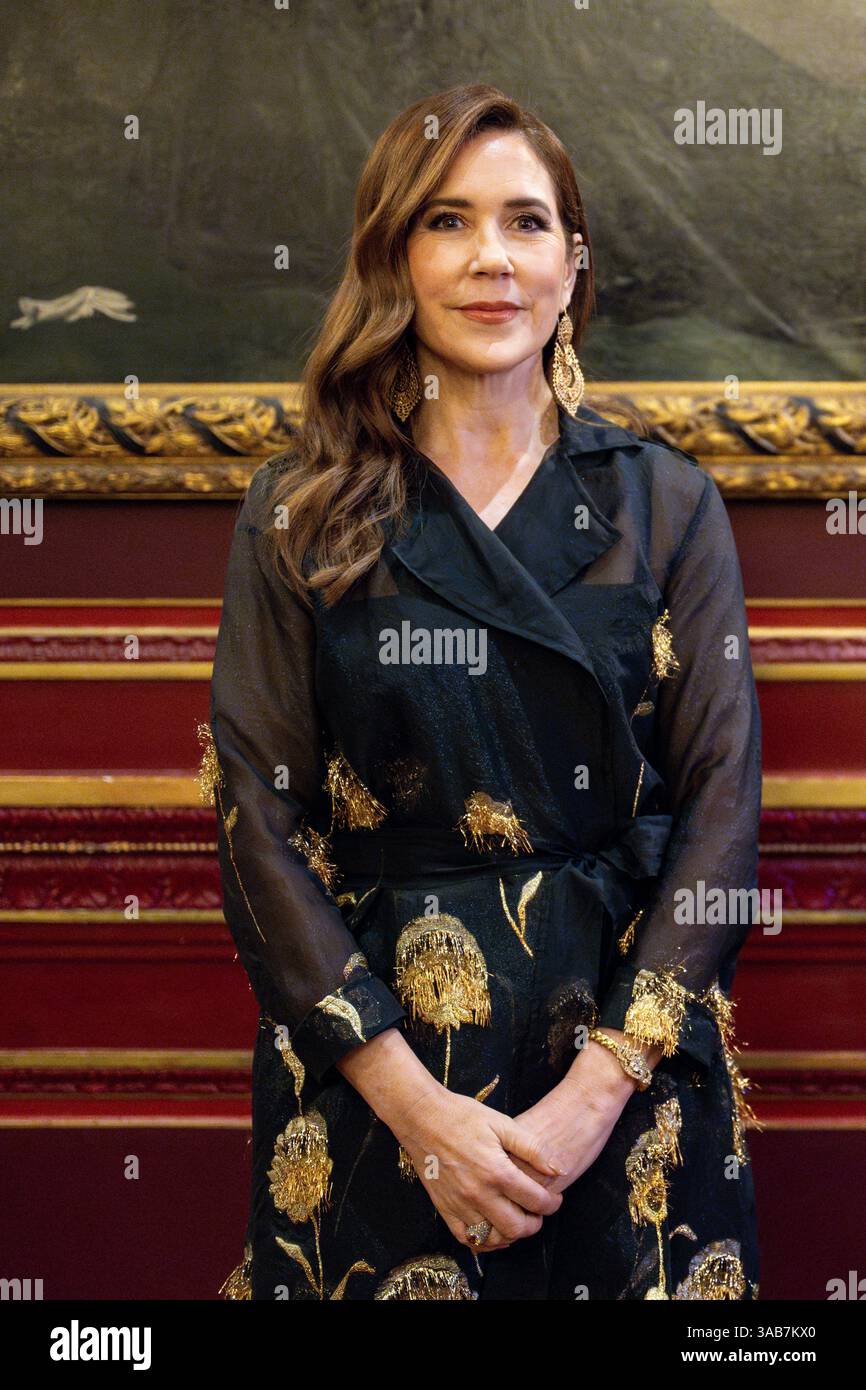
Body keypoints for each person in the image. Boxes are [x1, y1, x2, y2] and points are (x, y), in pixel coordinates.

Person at [200, 83, 762, 1301]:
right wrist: (416, 1110)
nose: (490, 259)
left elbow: (721, 814)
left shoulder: (662, 504)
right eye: (448, 222)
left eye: (525, 222)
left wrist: (594, 1093)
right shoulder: (301, 509)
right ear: (395, 256)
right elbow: (255, 815)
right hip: (380, 1062)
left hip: (622, 1059)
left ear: (572, 265)